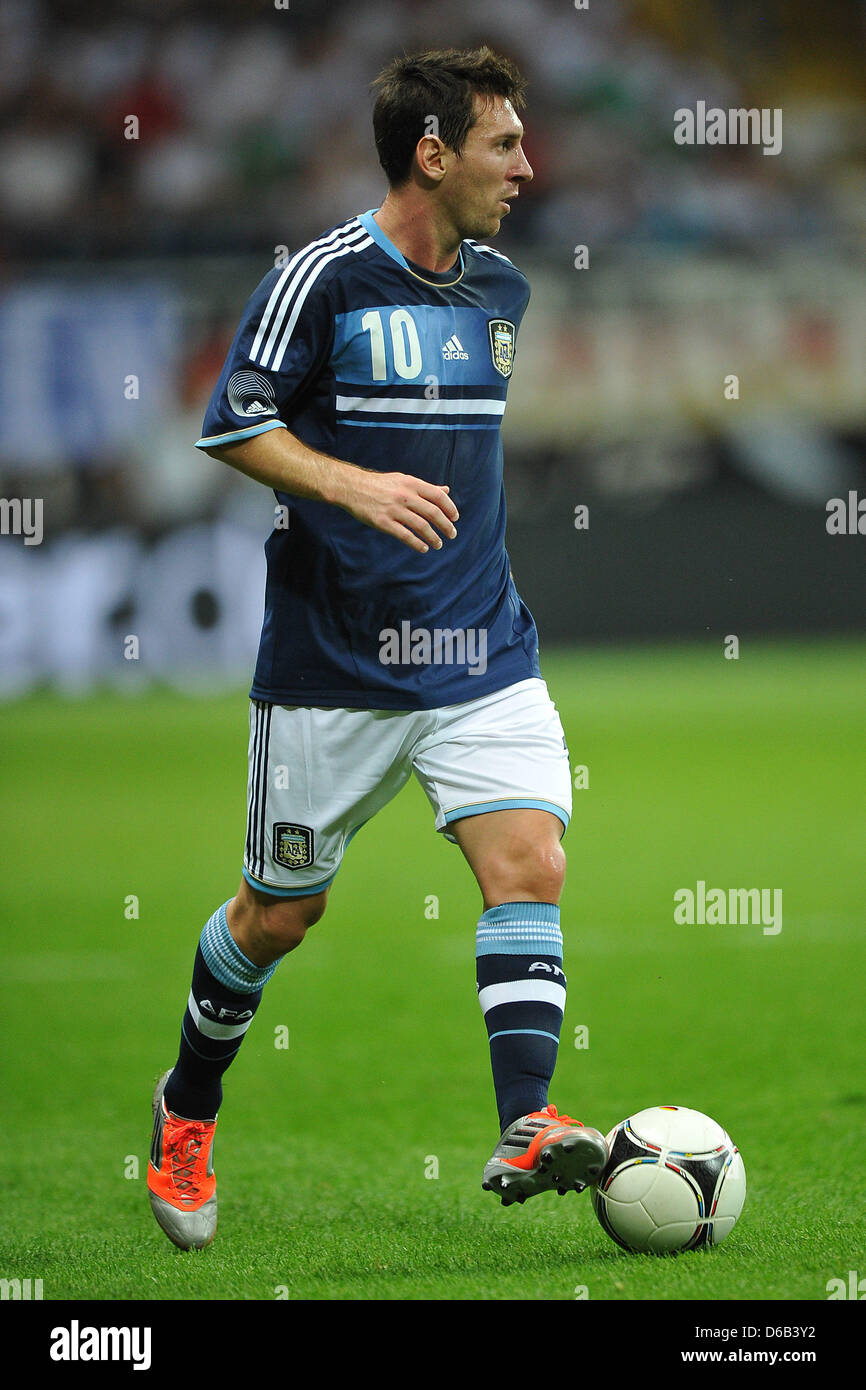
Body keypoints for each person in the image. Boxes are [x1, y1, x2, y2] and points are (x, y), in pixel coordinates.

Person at [148, 45, 608, 1251]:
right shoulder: (321, 280)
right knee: (275, 918)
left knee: (528, 864)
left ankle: (525, 1120)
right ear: (432, 151)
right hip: (332, 667)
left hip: (480, 651)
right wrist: (351, 484)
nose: (526, 166)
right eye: (504, 143)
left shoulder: (501, 290)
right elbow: (229, 423)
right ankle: (186, 1105)